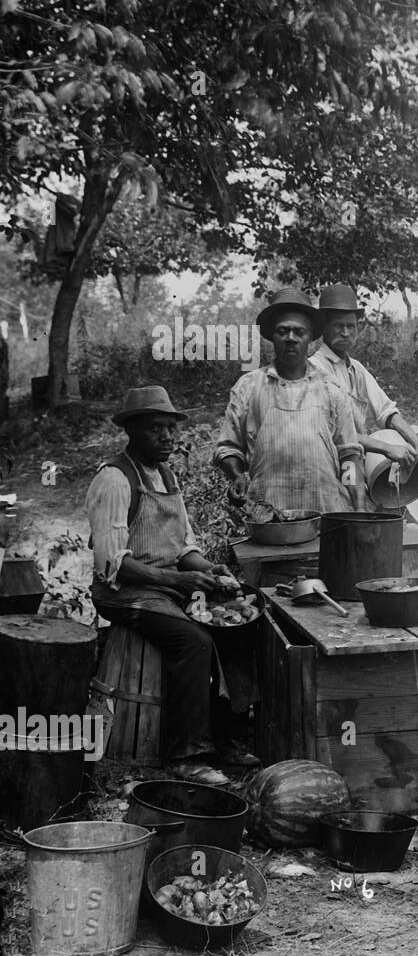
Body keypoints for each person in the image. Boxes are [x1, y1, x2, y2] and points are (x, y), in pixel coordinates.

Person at [86, 386, 256, 785]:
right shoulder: (115, 479)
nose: (166, 438)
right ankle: (186, 755)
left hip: (165, 585)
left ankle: (229, 737)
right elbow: (114, 564)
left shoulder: (167, 475)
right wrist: (178, 580)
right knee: (193, 640)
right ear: (131, 431)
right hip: (123, 593)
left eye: (170, 428)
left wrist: (211, 570)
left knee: (235, 626)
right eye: (154, 429)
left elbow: (184, 549)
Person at [215, 287, 364, 514]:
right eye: (283, 331)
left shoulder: (332, 389)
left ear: (311, 337)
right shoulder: (249, 387)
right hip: (266, 518)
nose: (291, 338)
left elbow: (349, 454)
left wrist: (359, 506)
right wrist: (236, 475)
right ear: (271, 337)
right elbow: (228, 447)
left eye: (298, 332)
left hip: (327, 514)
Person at [308, 283, 418, 510]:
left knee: (386, 506)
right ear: (324, 328)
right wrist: (386, 448)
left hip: (358, 460)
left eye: (351, 326)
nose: (345, 332)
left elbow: (387, 412)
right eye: (338, 326)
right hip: (332, 464)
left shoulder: (356, 368)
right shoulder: (314, 370)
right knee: (351, 515)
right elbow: (335, 435)